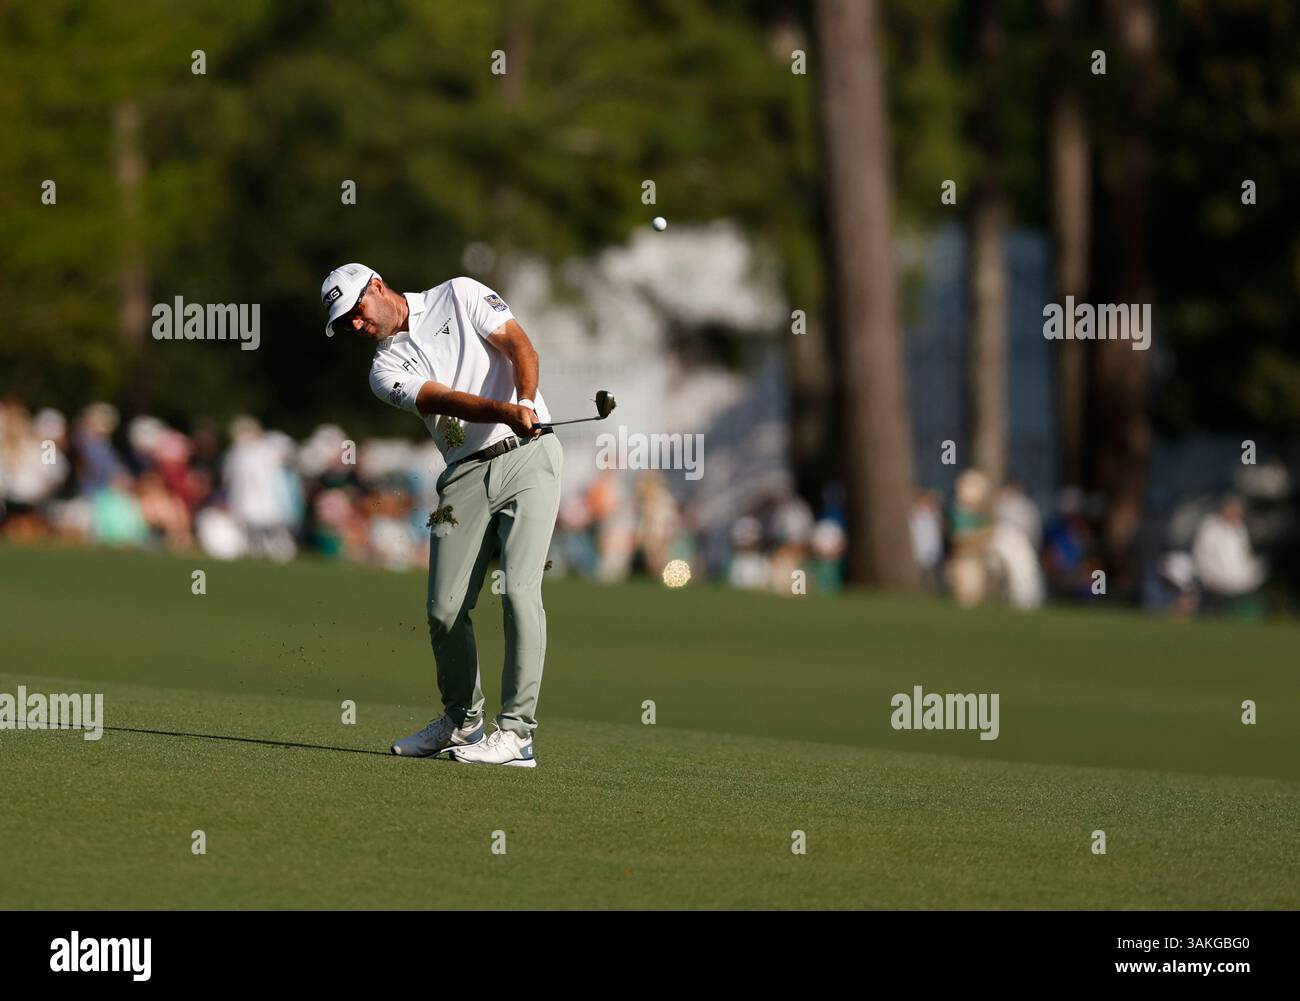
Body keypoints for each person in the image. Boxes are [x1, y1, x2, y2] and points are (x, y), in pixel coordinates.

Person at [322, 263, 562, 767]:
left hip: (529, 453)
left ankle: (517, 734)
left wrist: (522, 401)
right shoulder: (383, 371)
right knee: (444, 609)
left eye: (357, 313)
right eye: (347, 326)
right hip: (464, 473)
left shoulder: (460, 293)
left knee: (519, 591)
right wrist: (502, 410)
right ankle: (462, 723)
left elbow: (522, 346)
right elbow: (444, 399)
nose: (358, 328)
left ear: (377, 286)